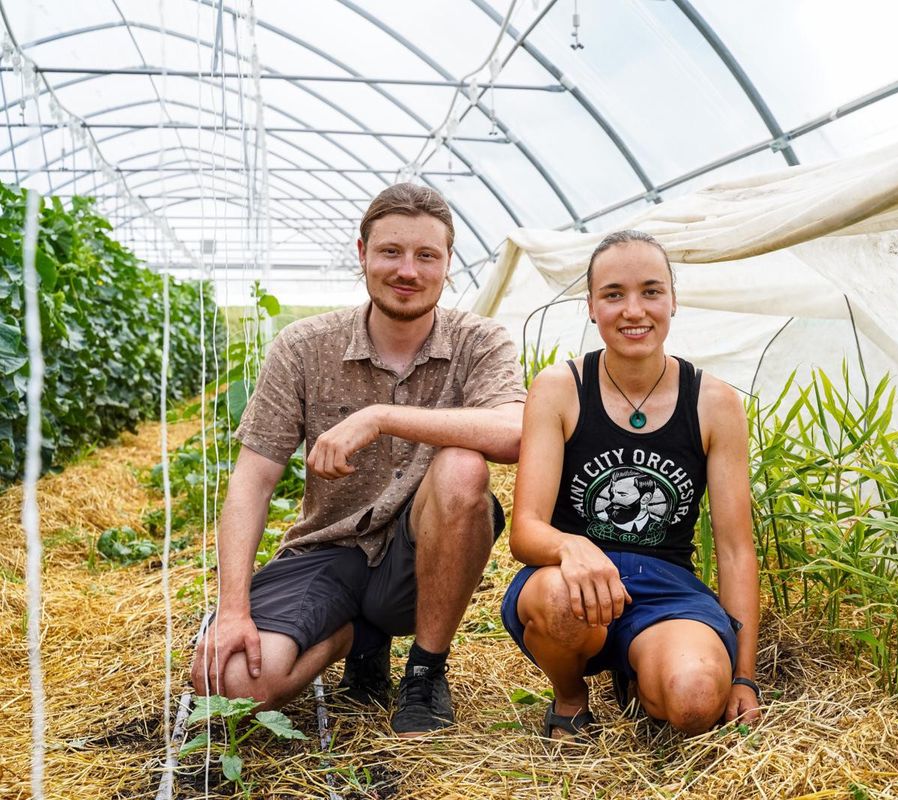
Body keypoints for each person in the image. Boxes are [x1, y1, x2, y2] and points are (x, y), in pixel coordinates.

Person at [189, 183, 525, 737]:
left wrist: (380, 416)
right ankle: (357, 637)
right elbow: (252, 481)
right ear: (362, 252)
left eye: (427, 256)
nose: (408, 270)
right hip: (329, 547)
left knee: (463, 465)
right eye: (391, 251)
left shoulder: (478, 341)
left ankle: (424, 670)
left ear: (447, 263)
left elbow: (515, 430)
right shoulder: (303, 347)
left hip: (420, 560)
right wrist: (232, 611)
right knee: (226, 681)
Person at [501, 230, 761, 738]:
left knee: (693, 702)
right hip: (570, 587)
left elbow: (735, 550)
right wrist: (572, 547)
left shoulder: (714, 403)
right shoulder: (560, 389)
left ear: (673, 301)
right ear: (591, 307)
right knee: (557, 602)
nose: (633, 310)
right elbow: (524, 531)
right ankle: (571, 698)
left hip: (666, 588)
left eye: (651, 291)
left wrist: (744, 676)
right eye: (614, 294)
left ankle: (642, 670)